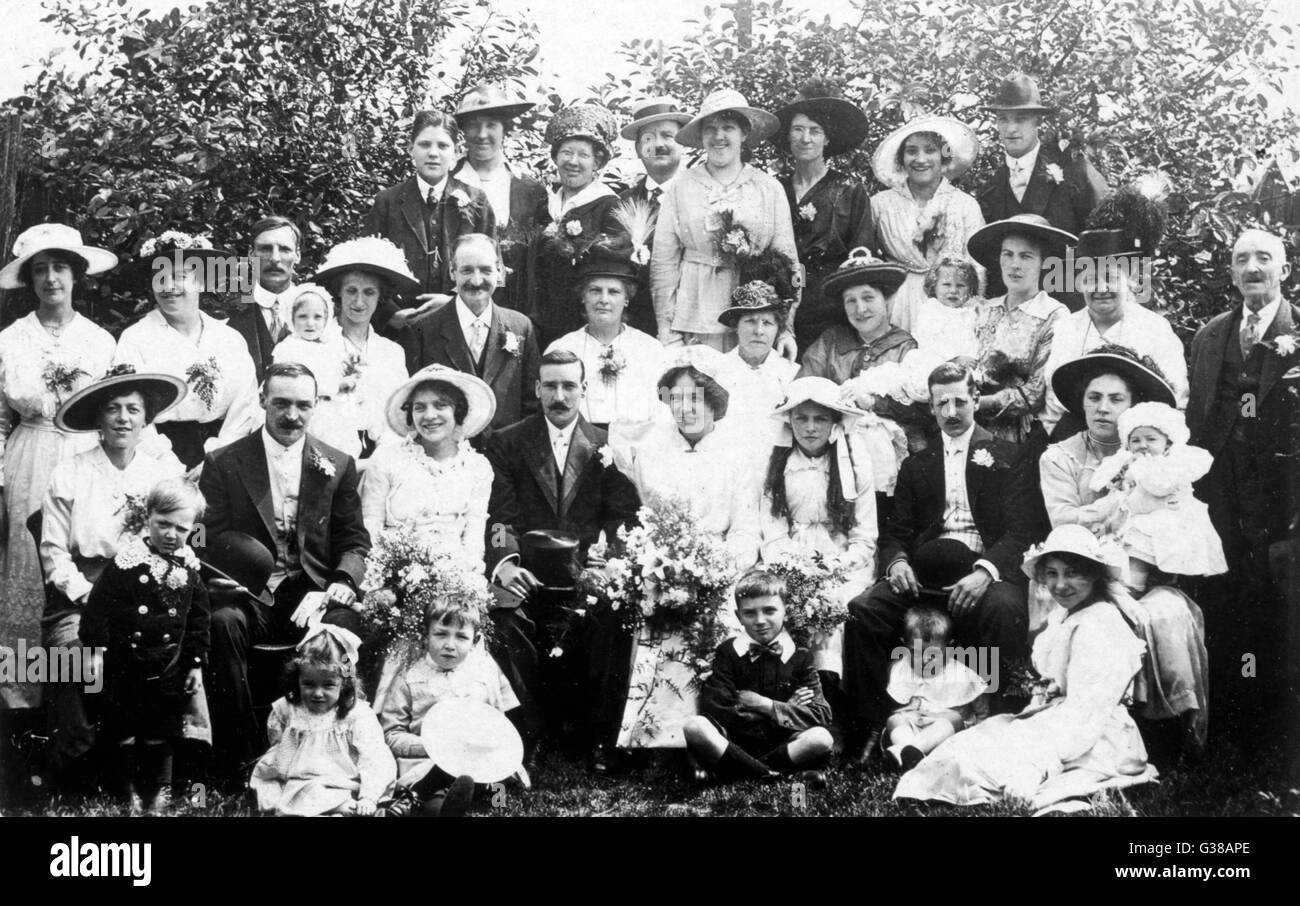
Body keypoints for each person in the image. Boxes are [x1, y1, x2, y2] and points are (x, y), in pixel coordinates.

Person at [842, 361, 1040, 764]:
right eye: (941, 404)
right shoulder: (918, 462)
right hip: (924, 573)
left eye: (960, 402)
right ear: (931, 408)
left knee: (1005, 607)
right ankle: (874, 723)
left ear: (975, 402)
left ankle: (993, 719)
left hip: (981, 568)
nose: (951, 412)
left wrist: (985, 573)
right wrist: (897, 562)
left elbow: (1020, 532)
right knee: (865, 610)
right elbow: (897, 530)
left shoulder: (1007, 455)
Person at [894, 525, 1158, 813]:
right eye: (1052, 574)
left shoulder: (1100, 625)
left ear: (1093, 574)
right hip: (1062, 717)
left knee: (995, 760)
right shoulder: (1067, 613)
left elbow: (1087, 713)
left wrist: (1038, 757)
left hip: (1096, 736)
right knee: (966, 748)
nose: (1060, 585)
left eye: (1072, 573)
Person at [199, 362, 372, 785]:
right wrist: (215, 577)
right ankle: (240, 755)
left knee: (342, 625)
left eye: (302, 405)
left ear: (315, 407)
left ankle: (330, 756)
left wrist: (339, 584)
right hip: (248, 593)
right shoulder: (224, 462)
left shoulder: (337, 463)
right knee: (221, 624)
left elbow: (355, 540)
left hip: (311, 589)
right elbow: (202, 535)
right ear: (262, 401)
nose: (292, 415)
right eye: (281, 404)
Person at [1039, 348, 1210, 751]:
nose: (1103, 409)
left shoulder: (1161, 458)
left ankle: (1174, 729)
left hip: (1149, 572)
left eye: (1117, 399)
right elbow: (1063, 522)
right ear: (1081, 403)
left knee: (1165, 611)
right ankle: (1096, 730)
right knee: (1103, 617)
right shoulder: (1059, 457)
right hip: (1080, 575)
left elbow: (1177, 514)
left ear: (1134, 406)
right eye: (1094, 398)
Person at [485, 349, 641, 765]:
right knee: (504, 619)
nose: (559, 395)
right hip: (528, 571)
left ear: (583, 390)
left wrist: (613, 560)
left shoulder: (606, 445)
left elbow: (625, 518)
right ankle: (529, 734)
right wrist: (507, 563)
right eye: (550, 385)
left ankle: (597, 737)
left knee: (612, 611)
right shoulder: (507, 442)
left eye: (569, 385)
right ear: (536, 389)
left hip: (585, 574)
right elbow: (500, 515)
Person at [39, 365, 187, 776]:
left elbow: (178, 545)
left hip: (144, 593)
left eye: (133, 409)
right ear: (98, 419)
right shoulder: (69, 472)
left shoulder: (160, 474)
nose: (123, 418)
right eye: (113, 408)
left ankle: (161, 762)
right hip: (81, 595)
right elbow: (53, 552)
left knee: (169, 647)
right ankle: (78, 760)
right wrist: (91, 596)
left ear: (145, 418)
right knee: (74, 651)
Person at [614, 345, 762, 750]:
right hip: (666, 567)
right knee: (659, 618)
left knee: (722, 627)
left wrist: (715, 570)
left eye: (693, 398)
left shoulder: (739, 455)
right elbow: (648, 522)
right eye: (675, 399)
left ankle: (718, 735)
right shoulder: (652, 453)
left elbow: (747, 529)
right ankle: (659, 739)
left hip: (722, 569)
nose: (684, 408)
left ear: (712, 400)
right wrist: (667, 565)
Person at [0, 224, 117, 711]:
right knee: (29, 567)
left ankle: (84, 702)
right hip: (30, 457)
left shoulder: (100, 341)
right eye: (41, 269)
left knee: (84, 562)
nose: (51, 278)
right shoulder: (9, 339)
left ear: (77, 276)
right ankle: (23, 701)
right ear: (29, 279)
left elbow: (118, 411)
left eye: (60, 267)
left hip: (87, 456)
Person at [1186, 228, 1298, 735]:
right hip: (1220, 487)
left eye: (1264, 259)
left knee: (1272, 592)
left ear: (1285, 269)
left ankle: (1275, 716)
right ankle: (1231, 708)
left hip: (1281, 491)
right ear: (1231, 273)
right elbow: (1199, 416)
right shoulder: (1211, 336)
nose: (1253, 268)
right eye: (1241, 260)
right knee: (1225, 589)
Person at [79, 477, 210, 814]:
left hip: (167, 666)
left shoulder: (189, 568)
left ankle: (159, 792)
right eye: (162, 524)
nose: (170, 534)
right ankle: (125, 791)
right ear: (147, 517)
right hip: (124, 663)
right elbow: (98, 609)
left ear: (193, 529)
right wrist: (95, 650)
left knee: (160, 729)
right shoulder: (126, 563)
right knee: (121, 728)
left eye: (181, 528)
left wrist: (194, 662)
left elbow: (198, 620)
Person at [651, 89, 799, 355]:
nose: (718, 137)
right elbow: (664, 264)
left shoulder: (768, 188)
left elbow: (786, 261)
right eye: (710, 128)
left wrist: (786, 328)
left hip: (755, 317)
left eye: (728, 128)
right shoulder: (682, 187)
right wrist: (667, 331)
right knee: (694, 392)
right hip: (696, 315)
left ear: (744, 134)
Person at [1041, 186, 1188, 438]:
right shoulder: (1067, 327)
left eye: (1109, 277)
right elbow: (1053, 401)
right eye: (1090, 278)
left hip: (1136, 442)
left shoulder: (1154, 329)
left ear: (1130, 277)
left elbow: (1175, 399)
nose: (1100, 288)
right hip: (1074, 440)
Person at [760, 377, 878, 684]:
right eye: (802, 418)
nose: (811, 428)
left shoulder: (854, 464)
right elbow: (772, 533)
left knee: (836, 606)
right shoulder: (776, 464)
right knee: (779, 602)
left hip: (842, 562)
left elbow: (865, 537)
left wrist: (834, 568)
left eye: (820, 419)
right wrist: (794, 566)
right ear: (790, 421)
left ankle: (829, 692)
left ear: (835, 423)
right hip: (790, 557)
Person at [113, 230, 260, 468]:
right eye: (160, 278)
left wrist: (217, 461)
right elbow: (131, 412)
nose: (169, 287)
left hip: (224, 456)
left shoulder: (229, 339)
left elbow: (245, 407)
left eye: (179, 276)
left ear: (201, 281)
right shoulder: (136, 339)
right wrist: (168, 464)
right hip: (157, 457)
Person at [682, 570, 833, 783]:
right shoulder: (728, 652)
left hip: (784, 744)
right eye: (750, 613)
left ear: (785, 611)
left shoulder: (801, 656)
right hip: (734, 743)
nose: (760, 620)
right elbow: (717, 708)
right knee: (695, 726)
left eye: (769, 610)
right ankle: (771, 774)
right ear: (738, 616)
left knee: (821, 738)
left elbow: (821, 714)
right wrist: (787, 711)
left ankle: (739, 772)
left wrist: (768, 706)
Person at [378, 600, 521, 817]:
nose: (450, 644)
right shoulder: (409, 678)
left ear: (475, 642)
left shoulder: (481, 677)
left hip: (474, 759)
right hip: (428, 762)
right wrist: (432, 747)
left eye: (461, 637)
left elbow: (497, 729)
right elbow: (392, 733)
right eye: (441, 634)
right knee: (433, 789)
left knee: (495, 777)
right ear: (425, 636)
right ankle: (430, 803)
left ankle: (493, 801)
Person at [975, 73, 1108, 305]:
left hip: (1070, 309)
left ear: (1038, 121)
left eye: (1021, 118)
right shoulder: (991, 188)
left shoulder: (1074, 169)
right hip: (1013, 313)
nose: (1012, 128)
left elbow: (1106, 240)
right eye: (1003, 119)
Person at [362, 109, 496, 334]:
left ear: (456, 153)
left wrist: (454, 302)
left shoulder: (476, 202)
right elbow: (368, 266)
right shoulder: (387, 202)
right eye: (424, 145)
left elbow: (492, 268)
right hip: (400, 324)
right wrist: (389, 313)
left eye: (443, 146)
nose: (433, 153)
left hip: (458, 322)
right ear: (410, 149)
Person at [401, 233, 541, 434]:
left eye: (485, 270)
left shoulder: (521, 327)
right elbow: (412, 404)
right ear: (452, 272)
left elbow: (531, 404)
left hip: (507, 456)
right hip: (446, 456)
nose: (476, 281)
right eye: (467, 270)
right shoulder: (422, 330)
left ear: (499, 272)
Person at [771, 80, 874, 351]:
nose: (806, 139)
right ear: (789, 136)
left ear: (827, 138)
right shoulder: (773, 189)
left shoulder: (850, 190)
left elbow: (861, 256)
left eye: (815, 131)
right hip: (781, 305)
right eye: (798, 130)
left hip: (833, 307)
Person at [250, 624, 395, 816]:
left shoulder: (356, 714)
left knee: (340, 797)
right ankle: (334, 808)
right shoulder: (289, 709)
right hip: (300, 783)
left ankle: (341, 806)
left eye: (328, 685)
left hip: (342, 781)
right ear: (297, 679)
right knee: (292, 794)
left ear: (344, 683)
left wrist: (368, 795)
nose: (318, 693)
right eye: (309, 684)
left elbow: (374, 757)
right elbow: (277, 744)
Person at [361, 365, 496, 569]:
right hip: (393, 572)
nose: (430, 415)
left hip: (455, 574)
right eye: (420, 407)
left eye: (440, 405)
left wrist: (469, 576)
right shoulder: (386, 459)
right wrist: (383, 574)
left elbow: (475, 537)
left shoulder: (477, 467)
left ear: (458, 410)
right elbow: (370, 524)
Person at [965, 214, 1076, 444]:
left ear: (1043, 263)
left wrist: (975, 403)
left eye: (1026, 256)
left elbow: (1036, 393)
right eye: (1008, 254)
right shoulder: (984, 309)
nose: (1015, 265)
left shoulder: (1054, 315)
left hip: (1020, 434)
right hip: (967, 423)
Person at [869, 115, 984, 334]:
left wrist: (973, 311)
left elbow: (977, 267)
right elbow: (870, 263)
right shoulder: (880, 204)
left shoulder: (966, 205)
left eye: (930, 150)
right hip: (898, 304)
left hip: (951, 305)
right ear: (901, 158)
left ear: (944, 155)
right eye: (911, 151)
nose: (920, 159)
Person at [1095, 402, 1227, 591]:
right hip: (1135, 512)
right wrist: (1119, 478)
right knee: (1117, 546)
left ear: (1167, 443)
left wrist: (1139, 470)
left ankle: (1134, 586)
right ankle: (1124, 585)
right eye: (1135, 440)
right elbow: (1105, 482)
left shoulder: (1171, 465)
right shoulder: (1130, 461)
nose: (1143, 445)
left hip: (1168, 517)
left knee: (1139, 549)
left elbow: (1159, 487)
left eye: (1151, 439)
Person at [311, 237, 415, 460]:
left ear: (381, 297)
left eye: (369, 292)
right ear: (339, 292)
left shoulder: (391, 352)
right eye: (351, 290)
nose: (359, 302)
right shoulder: (316, 344)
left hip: (380, 458)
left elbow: (399, 413)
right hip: (327, 455)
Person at [450, 84, 550, 315]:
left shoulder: (531, 190)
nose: (482, 134)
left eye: (491, 125)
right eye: (474, 125)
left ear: (505, 129)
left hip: (517, 310)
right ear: (463, 130)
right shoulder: (447, 183)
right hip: (457, 308)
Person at [532, 104, 623, 348]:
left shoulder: (608, 206)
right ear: (555, 157)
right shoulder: (545, 206)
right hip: (538, 321)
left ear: (597, 163)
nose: (573, 161)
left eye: (583, 155)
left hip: (582, 322)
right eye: (566, 152)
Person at [544, 249, 664, 434]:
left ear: (626, 299)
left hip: (637, 444)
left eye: (614, 292)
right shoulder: (562, 347)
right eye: (595, 291)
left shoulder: (649, 349)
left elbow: (662, 409)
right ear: (583, 296)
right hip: (580, 444)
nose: (604, 300)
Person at [615, 97, 692, 337]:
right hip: (635, 329)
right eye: (648, 138)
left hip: (688, 325)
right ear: (638, 149)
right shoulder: (622, 203)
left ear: (683, 143)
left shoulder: (700, 196)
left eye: (668, 136)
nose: (658, 145)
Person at [882, 607, 988, 771]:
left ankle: (910, 751)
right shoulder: (900, 668)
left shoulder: (961, 673)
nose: (924, 660)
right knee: (894, 720)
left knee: (954, 718)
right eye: (915, 652)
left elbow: (982, 712)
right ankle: (908, 752)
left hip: (945, 733)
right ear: (904, 644)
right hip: (913, 726)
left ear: (949, 647)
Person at [716, 278, 799, 466]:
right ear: (736, 326)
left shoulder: (792, 375)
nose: (759, 331)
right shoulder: (715, 371)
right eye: (750, 321)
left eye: (767, 323)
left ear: (778, 330)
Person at [270, 284, 358, 455]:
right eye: (303, 316)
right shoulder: (288, 347)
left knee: (337, 449)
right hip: (301, 409)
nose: (310, 323)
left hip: (331, 411)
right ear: (291, 318)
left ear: (327, 318)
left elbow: (341, 372)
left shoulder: (333, 346)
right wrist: (337, 386)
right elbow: (292, 383)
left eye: (317, 317)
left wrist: (350, 379)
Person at [226, 215, 301, 383]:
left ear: (297, 255)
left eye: (284, 249)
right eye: (265, 248)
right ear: (251, 255)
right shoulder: (226, 314)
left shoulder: (321, 312)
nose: (275, 258)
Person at [911, 255, 982, 361]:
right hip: (939, 364)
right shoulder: (930, 311)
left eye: (960, 285)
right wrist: (953, 360)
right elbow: (928, 346)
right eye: (946, 284)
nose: (953, 290)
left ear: (970, 289)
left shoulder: (973, 311)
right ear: (934, 286)